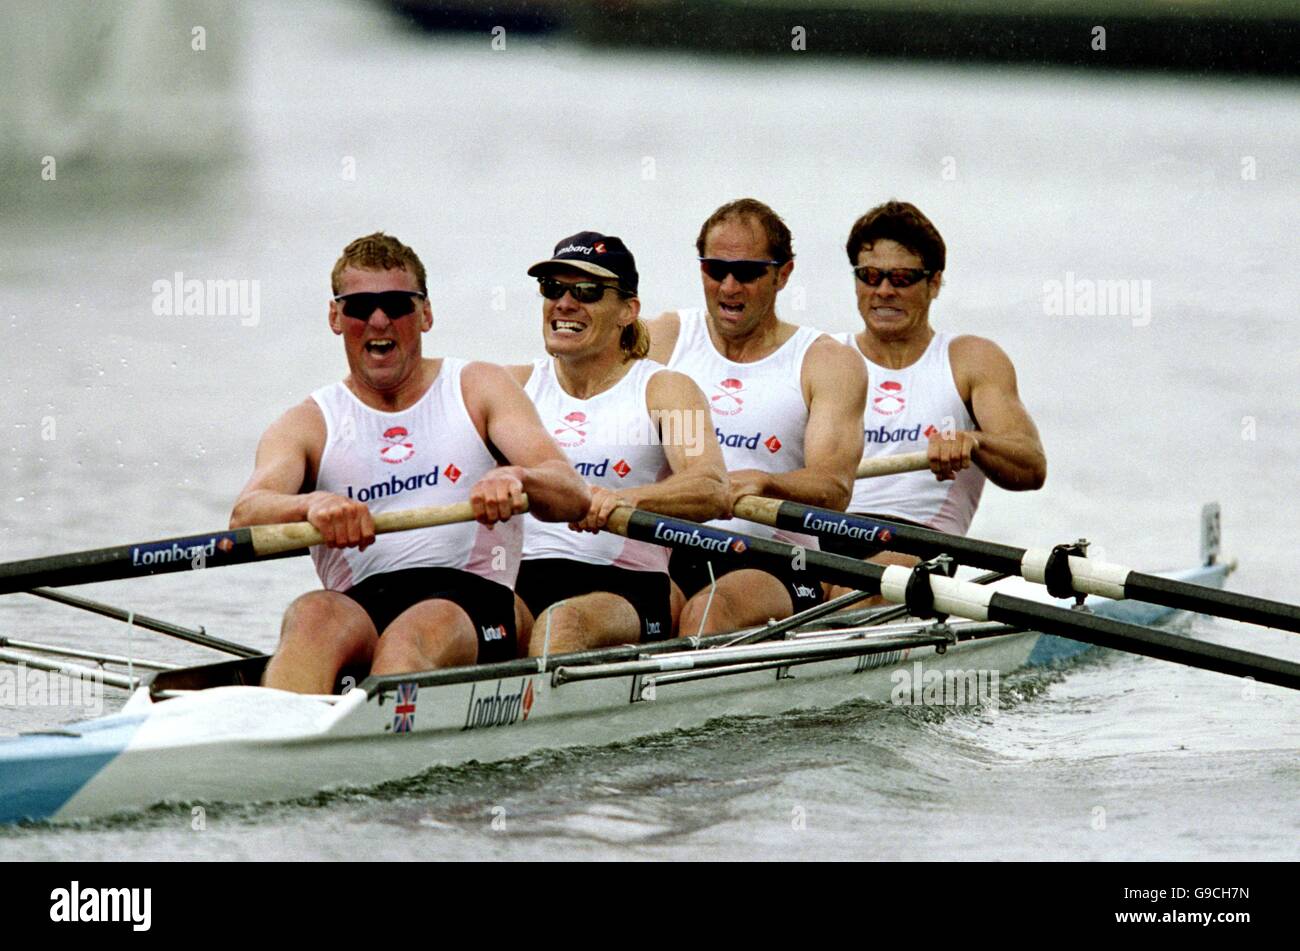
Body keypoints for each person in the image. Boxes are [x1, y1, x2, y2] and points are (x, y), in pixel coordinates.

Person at [229, 233, 589, 694]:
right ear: (336, 317)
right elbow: (246, 515)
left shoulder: (478, 387)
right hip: (359, 603)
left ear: (425, 314)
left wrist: (517, 476)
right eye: (360, 306)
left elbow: (572, 494)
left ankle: (368, 738)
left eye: (397, 304)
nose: (379, 320)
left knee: (412, 632)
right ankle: (274, 742)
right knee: (312, 614)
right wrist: (311, 506)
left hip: (472, 601)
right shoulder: (307, 423)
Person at [645, 199, 867, 633]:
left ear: (783, 274)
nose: (729, 286)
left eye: (747, 273)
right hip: (668, 548)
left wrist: (767, 482)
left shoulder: (825, 362)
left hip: (774, 557)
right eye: (715, 269)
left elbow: (834, 487)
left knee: (708, 615)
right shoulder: (665, 338)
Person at [508, 232, 729, 655]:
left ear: (628, 310)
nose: (565, 304)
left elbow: (711, 486)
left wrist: (626, 499)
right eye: (553, 289)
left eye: (587, 291)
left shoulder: (664, 389)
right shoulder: (514, 387)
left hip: (626, 587)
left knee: (562, 626)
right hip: (519, 577)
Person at [825, 200, 1046, 590]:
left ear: (935, 283)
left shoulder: (971, 360)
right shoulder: (824, 358)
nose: (884, 291)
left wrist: (973, 442)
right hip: (817, 531)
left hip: (918, 542)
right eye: (870, 276)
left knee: (860, 586)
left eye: (902, 279)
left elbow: (1031, 467)